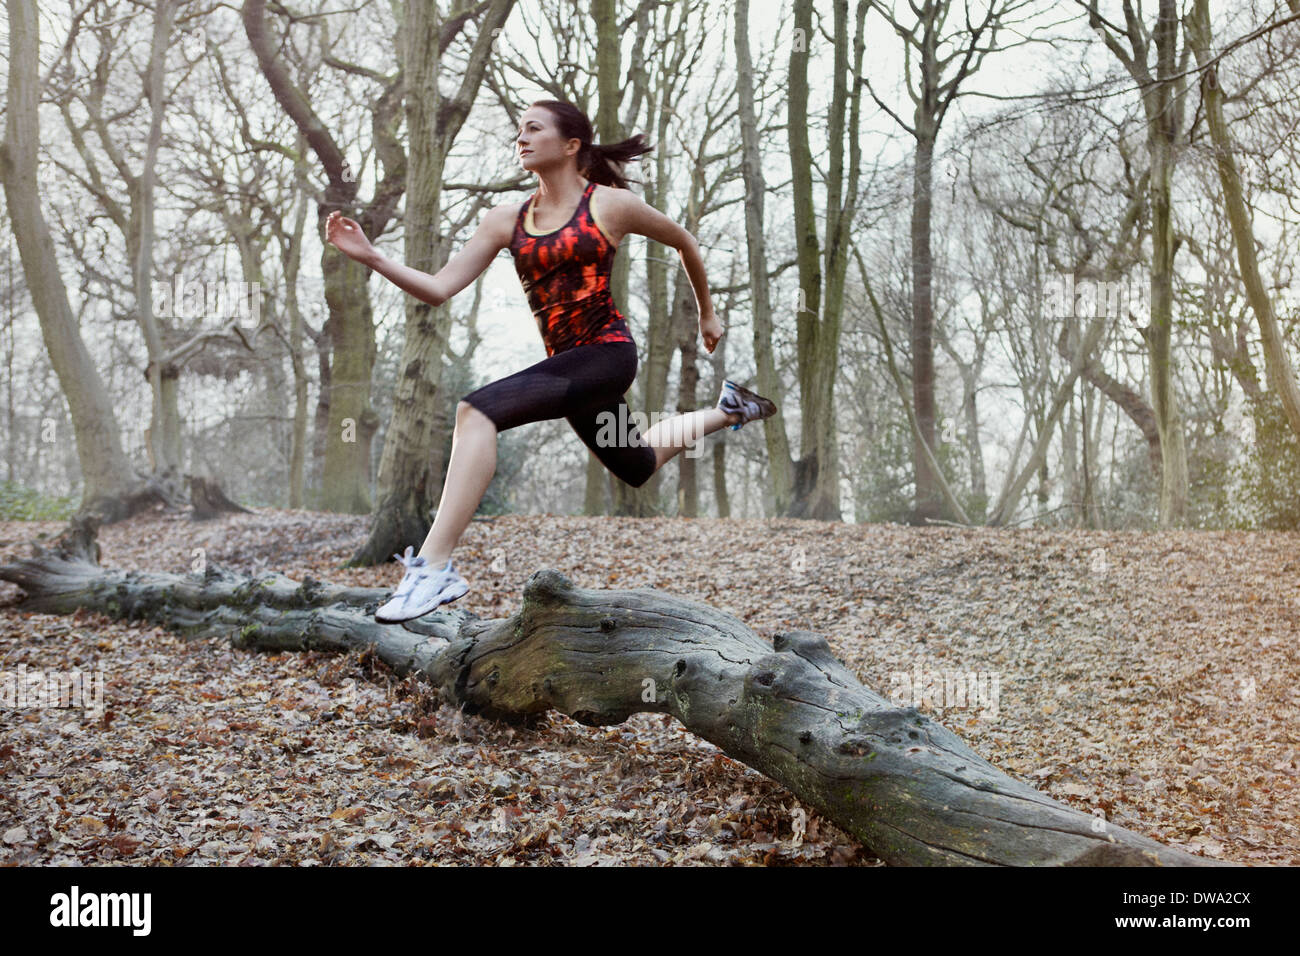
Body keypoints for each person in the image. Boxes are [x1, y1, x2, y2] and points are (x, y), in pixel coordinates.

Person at [326, 99, 776, 623]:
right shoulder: (506, 220)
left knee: (476, 411)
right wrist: (373, 256)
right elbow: (438, 288)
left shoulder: (608, 206)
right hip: (568, 369)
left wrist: (708, 315)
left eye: (533, 129)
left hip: (607, 355)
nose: (521, 138)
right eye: (518, 130)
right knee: (636, 464)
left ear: (571, 145)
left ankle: (434, 568)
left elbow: (684, 241)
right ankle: (730, 408)